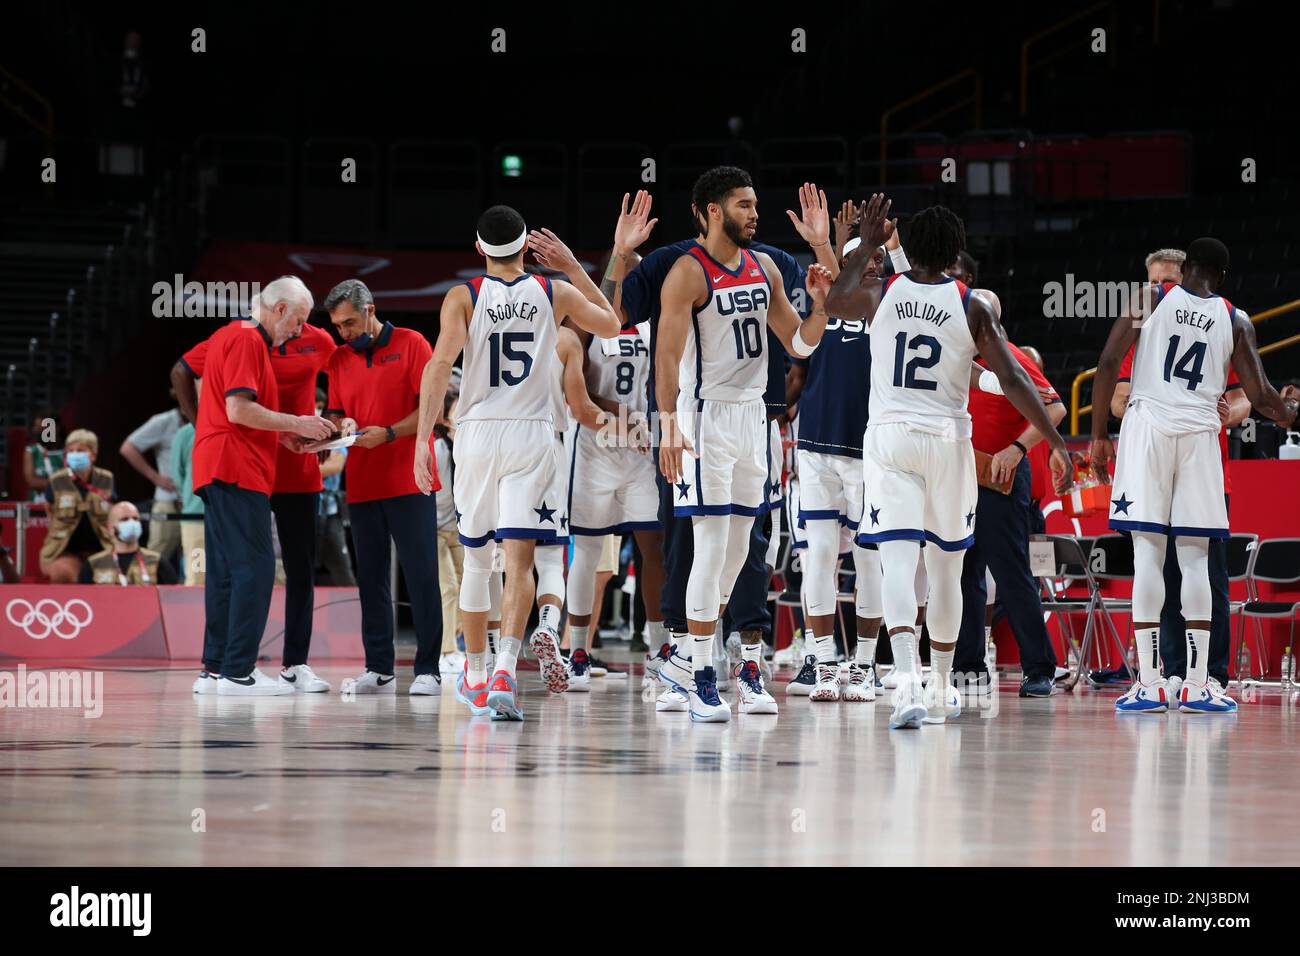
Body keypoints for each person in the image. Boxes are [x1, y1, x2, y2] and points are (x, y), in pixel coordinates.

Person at [826, 202, 1072, 729]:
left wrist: (867, 243)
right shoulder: (973, 305)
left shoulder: (881, 292)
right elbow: (1014, 380)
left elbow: (833, 300)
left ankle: (907, 681)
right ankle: (939, 686)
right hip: (947, 443)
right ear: (955, 253)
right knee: (946, 569)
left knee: (897, 563)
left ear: (908, 248)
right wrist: (1053, 441)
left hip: (891, 439)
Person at [414, 204, 620, 722]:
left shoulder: (465, 296)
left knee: (479, 561)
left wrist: (421, 440)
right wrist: (572, 266)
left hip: (478, 433)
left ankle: (477, 674)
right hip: (533, 434)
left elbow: (440, 365)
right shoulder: (554, 292)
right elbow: (613, 325)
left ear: (479, 248)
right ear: (528, 246)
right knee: (523, 559)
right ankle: (508, 664)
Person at [1090, 237, 1299, 714]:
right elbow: (1263, 396)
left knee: (1147, 554)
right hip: (1200, 434)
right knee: (1196, 560)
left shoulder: (1150, 298)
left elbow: (1105, 365)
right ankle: (1199, 683)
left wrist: (1100, 435)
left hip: (1147, 430)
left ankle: (1149, 683)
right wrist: (1291, 413)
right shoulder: (1235, 318)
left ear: (1186, 272)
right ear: (1222, 277)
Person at [655, 167, 835, 723]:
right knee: (709, 548)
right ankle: (704, 674)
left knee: (739, 550)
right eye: (743, 205)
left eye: (756, 203)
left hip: (753, 418)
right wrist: (667, 427)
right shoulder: (687, 273)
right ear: (711, 210)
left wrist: (822, 305)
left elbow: (799, 343)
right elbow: (665, 357)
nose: (755, 213)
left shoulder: (766, 269)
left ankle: (681, 665)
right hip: (704, 416)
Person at [176, 305, 338, 693]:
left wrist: (331, 419)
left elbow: (342, 375)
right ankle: (234, 669)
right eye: (297, 320)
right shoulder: (246, 339)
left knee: (292, 568)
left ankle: (281, 665)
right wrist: (202, 425)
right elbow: (192, 377)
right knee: (249, 567)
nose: (301, 328)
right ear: (279, 311)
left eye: (304, 321)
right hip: (245, 461)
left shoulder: (313, 340)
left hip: (288, 463)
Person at [323, 278, 443, 696]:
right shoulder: (338, 359)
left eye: (350, 323)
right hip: (362, 482)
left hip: (412, 478)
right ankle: (379, 667)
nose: (344, 333)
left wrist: (390, 433)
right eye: (338, 326)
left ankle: (429, 669)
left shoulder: (413, 344)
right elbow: (337, 414)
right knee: (370, 579)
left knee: (422, 575)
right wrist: (344, 426)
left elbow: (432, 408)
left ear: (371, 310)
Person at [954, 336, 1066, 698]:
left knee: (1012, 573)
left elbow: (1056, 409)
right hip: (961, 476)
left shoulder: (1010, 356)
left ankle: (1038, 669)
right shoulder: (956, 354)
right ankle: (968, 667)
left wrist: (1017, 449)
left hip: (1001, 477)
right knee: (963, 574)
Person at [39, 429, 116, 583]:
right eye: (71, 451)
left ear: (93, 455)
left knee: (108, 576)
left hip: (101, 547)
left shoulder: (106, 479)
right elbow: (49, 508)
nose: (75, 454)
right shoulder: (56, 480)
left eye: (80, 450)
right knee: (65, 573)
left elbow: (113, 509)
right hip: (64, 549)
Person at [119, 398, 184, 566]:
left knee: (197, 559)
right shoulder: (164, 421)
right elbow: (128, 448)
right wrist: (156, 478)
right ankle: (141, 589)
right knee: (154, 558)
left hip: (197, 503)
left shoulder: (207, 420)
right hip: (169, 500)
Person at [433, 395, 464, 674]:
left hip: (459, 529)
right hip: (434, 529)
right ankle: (446, 651)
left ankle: (453, 641)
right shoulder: (438, 449)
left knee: (471, 586)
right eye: (456, 414)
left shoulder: (470, 451)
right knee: (449, 587)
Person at [80, 501, 179, 585]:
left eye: (135, 519)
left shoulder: (157, 562)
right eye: (124, 519)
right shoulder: (94, 564)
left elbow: (173, 599)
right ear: (110, 528)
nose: (132, 523)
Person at [314, 388, 355, 588]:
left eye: (320, 407)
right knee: (296, 569)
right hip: (302, 512)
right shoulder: (293, 434)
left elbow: (335, 465)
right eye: (313, 405)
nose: (315, 410)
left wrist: (305, 471)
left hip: (329, 513)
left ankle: (352, 615)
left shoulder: (334, 439)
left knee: (342, 571)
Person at [169, 392, 205, 585]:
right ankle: (195, 616)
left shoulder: (238, 427)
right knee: (198, 576)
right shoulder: (185, 434)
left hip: (232, 516)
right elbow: (178, 474)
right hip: (196, 518)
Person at [22, 411, 63, 503]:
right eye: (37, 429)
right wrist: (61, 484)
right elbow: (32, 481)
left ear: (57, 428)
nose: (38, 432)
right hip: (38, 504)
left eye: (44, 429)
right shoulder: (32, 451)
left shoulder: (68, 451)